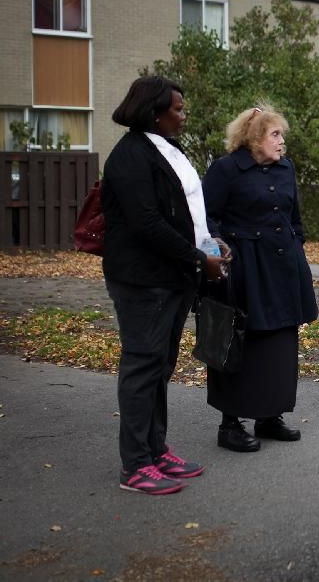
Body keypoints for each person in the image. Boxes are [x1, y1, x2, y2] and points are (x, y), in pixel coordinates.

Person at [102, 76, 228, 495]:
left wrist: (212, 245)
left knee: (160, 366)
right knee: (142, 366)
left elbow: (188, 214)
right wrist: (199, 259)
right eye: (177, 108)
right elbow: (147, 224)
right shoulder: (130, 156)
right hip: (143, 282)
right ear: (153, 111)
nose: (183, 113)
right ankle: (135, 465)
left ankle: (156, 450)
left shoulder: (168, 150)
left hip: (174, 279)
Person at [202, 105, 318, 451]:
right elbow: (207, 217)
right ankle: (230, 424)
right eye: (275, 134)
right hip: (244, 268)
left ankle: (269, 416)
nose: (282, 142)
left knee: (280, 343)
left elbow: (294, 217)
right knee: (241, 341)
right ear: (254, 138)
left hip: (283, 267)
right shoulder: (226, 170)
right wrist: (219, 251)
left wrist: (297, 247)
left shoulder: (286, 169)